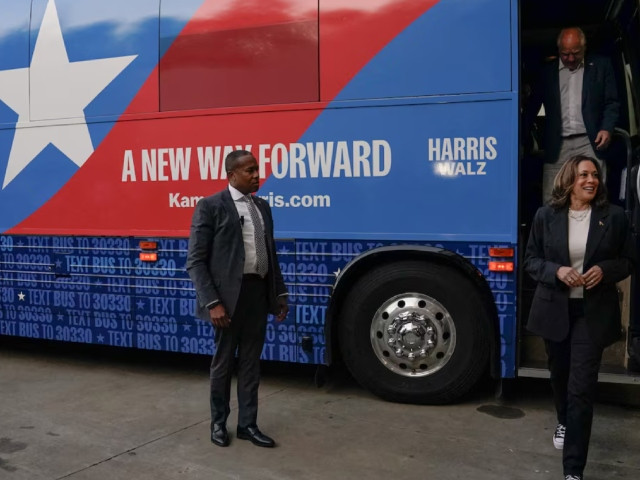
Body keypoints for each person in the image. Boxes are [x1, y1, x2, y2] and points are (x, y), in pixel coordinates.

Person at [524, 155, 636, 480]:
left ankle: (573, 470)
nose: (591, 180)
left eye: (595, 175)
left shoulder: (613, 217)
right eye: (584, 175)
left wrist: (605, 269)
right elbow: (531, 260)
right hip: (555, 309)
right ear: (569, 180)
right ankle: (563, 420)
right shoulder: (547, 216)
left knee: (582, 387)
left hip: (593, 312)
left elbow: (629, 260)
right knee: (559, 375)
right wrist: (556, 270)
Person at [186, 150, 289, 448]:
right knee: (223, 365)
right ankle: (218, 424)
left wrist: (279, 293)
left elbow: (270, 254)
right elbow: (195, 261)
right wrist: (212, 303)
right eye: (250, 170)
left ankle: (248, 425)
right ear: (232, 175)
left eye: (257, 169)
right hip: (227, 300)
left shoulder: (262, 207)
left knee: (250, 363)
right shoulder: (210, 206)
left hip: (257, 294)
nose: (257, 175)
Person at [527, 27, 619, 201]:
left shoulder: (601, 66)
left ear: (584, 48)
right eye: (565, 54)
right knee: (552, 198)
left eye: (575, 53)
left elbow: (612, 103)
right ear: (559, 50)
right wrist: (520, 137)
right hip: (557, 144)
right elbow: (533, 105)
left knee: (595, 196)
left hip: (590, 142)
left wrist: (607, 128)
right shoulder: (547, 72)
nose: (570, 58)